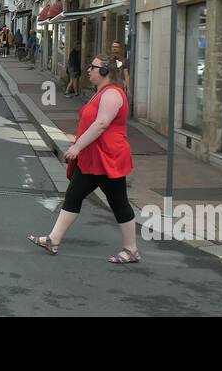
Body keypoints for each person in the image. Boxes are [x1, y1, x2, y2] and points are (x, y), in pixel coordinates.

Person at [29, 54, 140, 264]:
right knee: (74, 195)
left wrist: (76, 147)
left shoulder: (112, 94)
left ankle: (131, 249)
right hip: (93, 158)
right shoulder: (101, 93)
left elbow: (101, 124)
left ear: (105, 71)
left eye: (93, 67)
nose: (88, 70)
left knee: (118, 202)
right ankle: (53, 239)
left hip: (107, 158)